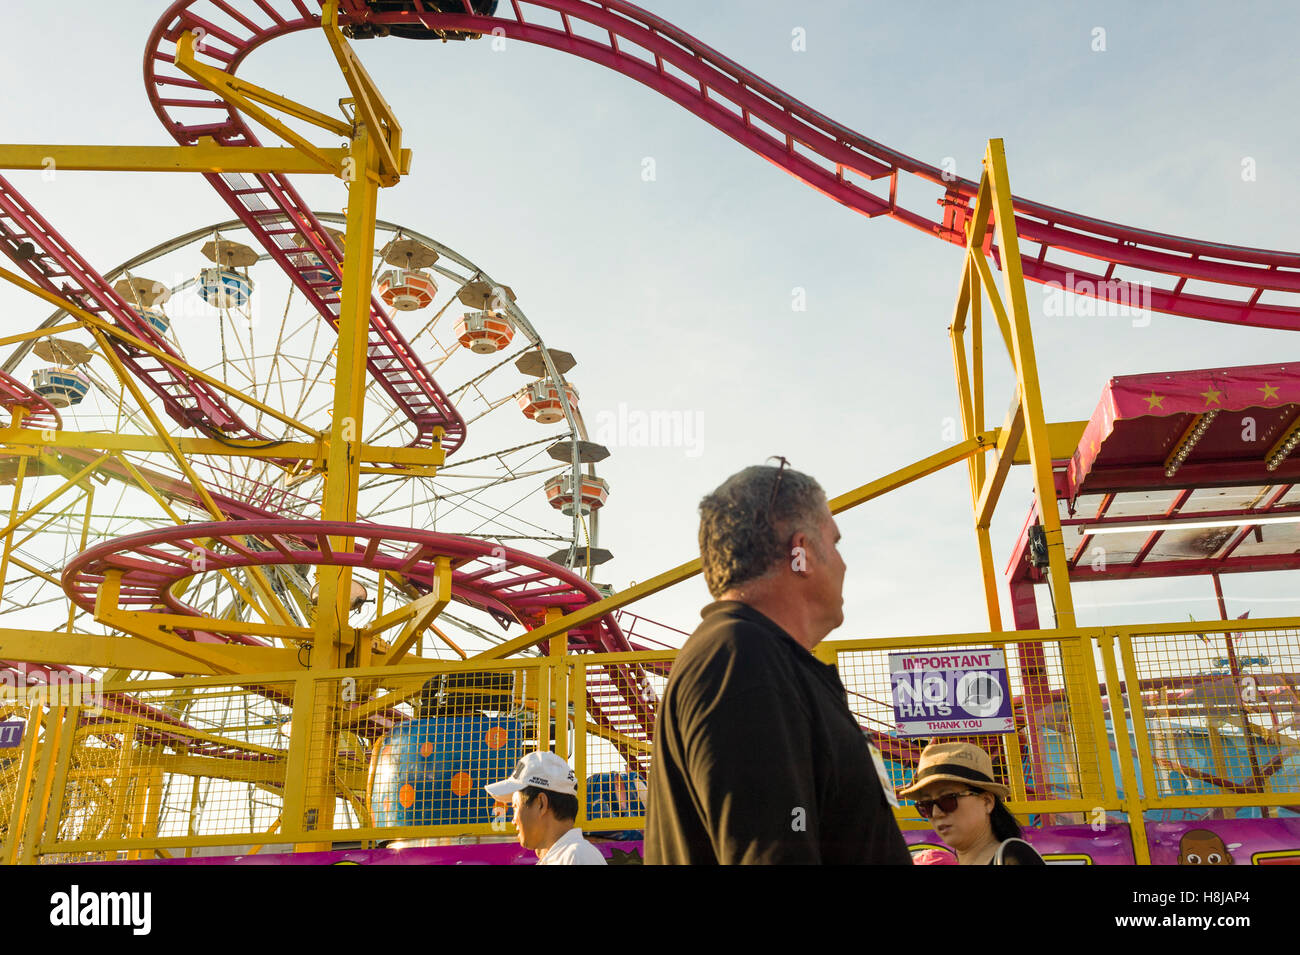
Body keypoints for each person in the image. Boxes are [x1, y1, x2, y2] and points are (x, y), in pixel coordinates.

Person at [645, 462, 912, 864]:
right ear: (801, 553)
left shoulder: (754, 658)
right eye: (835, 543)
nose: (843, 564)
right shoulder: (740, 660)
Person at [898, 741, 1045, 865]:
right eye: (926, 805)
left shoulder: (1013, 858)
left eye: (948, 799)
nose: (936, 813)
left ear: (987, 802)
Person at [486, 751, 607, 865]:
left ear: (541, 804)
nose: (513, 821)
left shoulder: (577, 857)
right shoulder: (568, 856)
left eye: (515, 807)